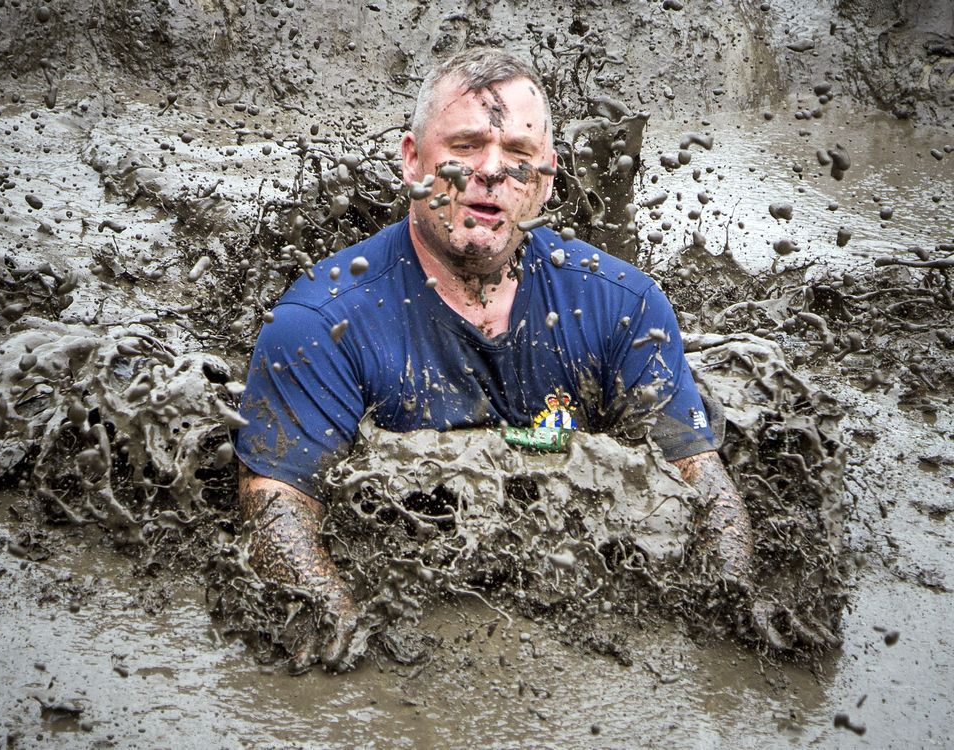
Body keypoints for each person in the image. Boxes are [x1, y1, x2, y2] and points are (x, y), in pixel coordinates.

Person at [235, 48, 754, 672]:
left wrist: (731, 614)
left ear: (547, 179)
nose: (490, 172)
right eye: (466, 146)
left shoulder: (622, 306)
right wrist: (343, 635)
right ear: (412, 159)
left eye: (518, 155)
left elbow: (701, 482)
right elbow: (278, 511)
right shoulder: (321, 323)